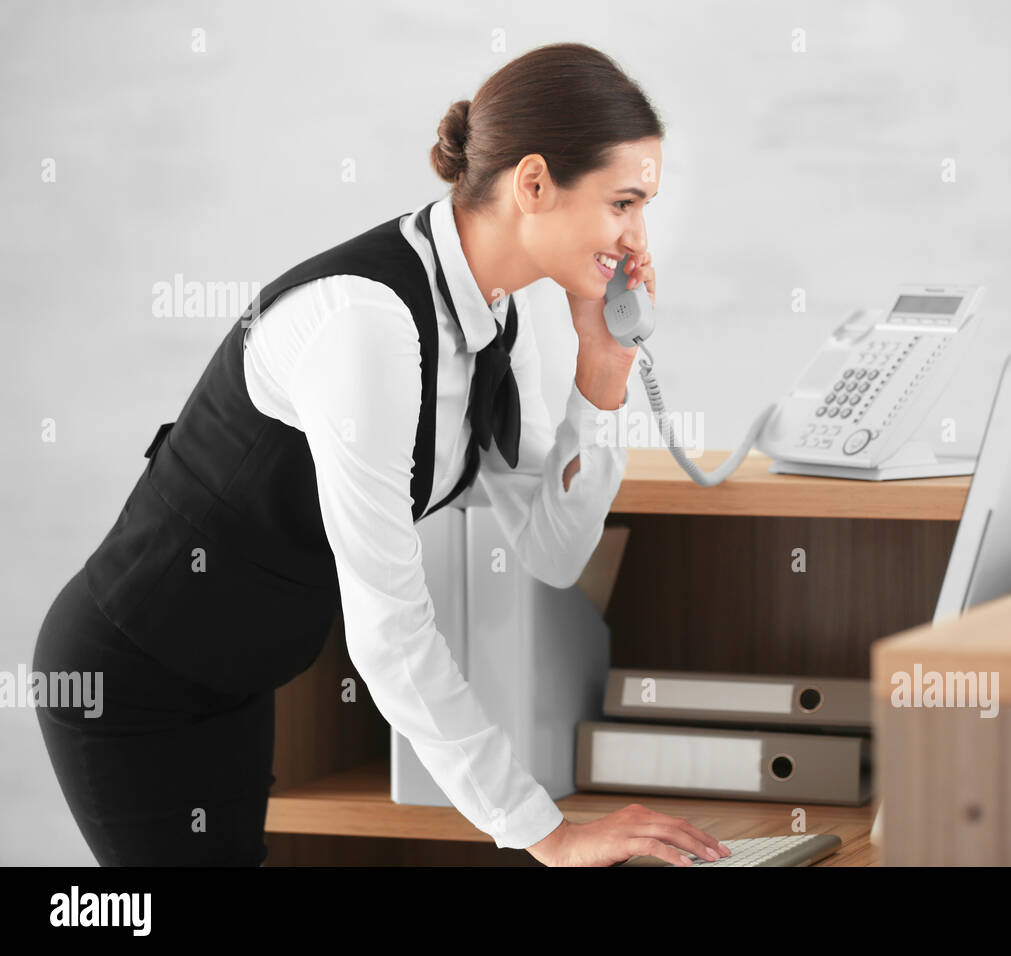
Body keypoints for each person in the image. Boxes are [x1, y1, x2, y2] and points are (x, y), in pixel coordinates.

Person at [32, 41, 729, 868]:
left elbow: (555, 548)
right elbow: (389, 628)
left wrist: (602, 377)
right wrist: (545, 833)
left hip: (240, 679)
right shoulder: (367, 325)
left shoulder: (496, 317)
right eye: (624, 202)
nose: (637, 238)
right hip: (132, 678)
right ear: (534, 183)